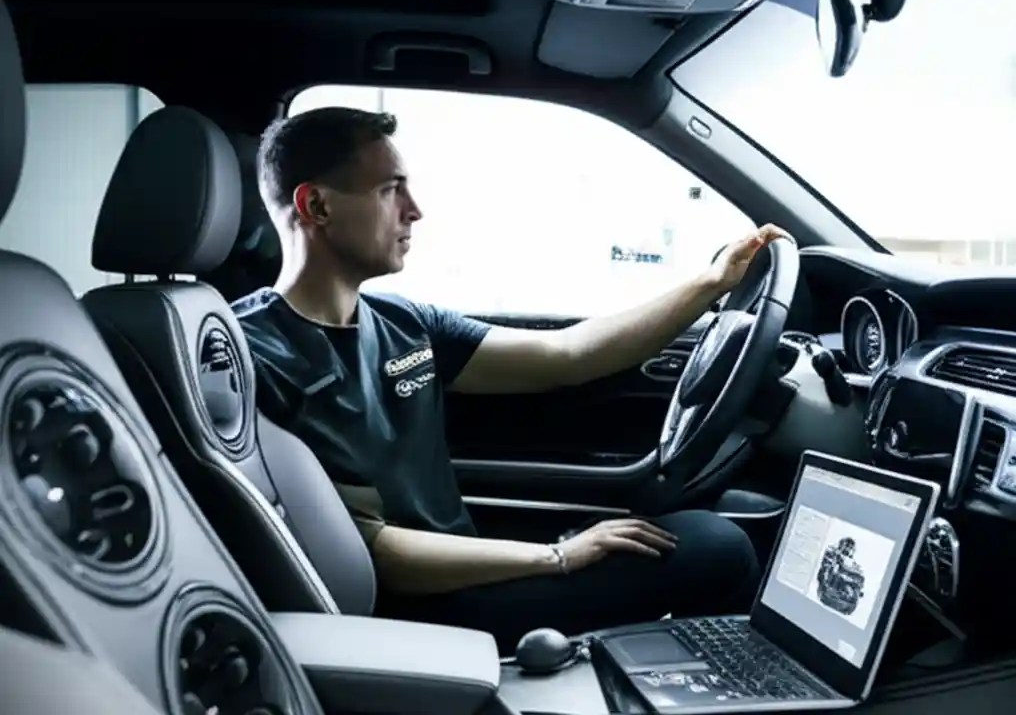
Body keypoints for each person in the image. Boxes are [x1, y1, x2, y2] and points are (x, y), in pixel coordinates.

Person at [231, 106, 784, 650]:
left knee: (703, 533)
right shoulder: (252, 354)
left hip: (463, 569)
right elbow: (364, 549)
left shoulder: (402, 321)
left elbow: (568, 353)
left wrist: (711, 283)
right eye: (389, 190)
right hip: (409, 609)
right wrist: (556, 555)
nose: (414, 210)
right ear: (316, 205)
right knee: (718, 545)